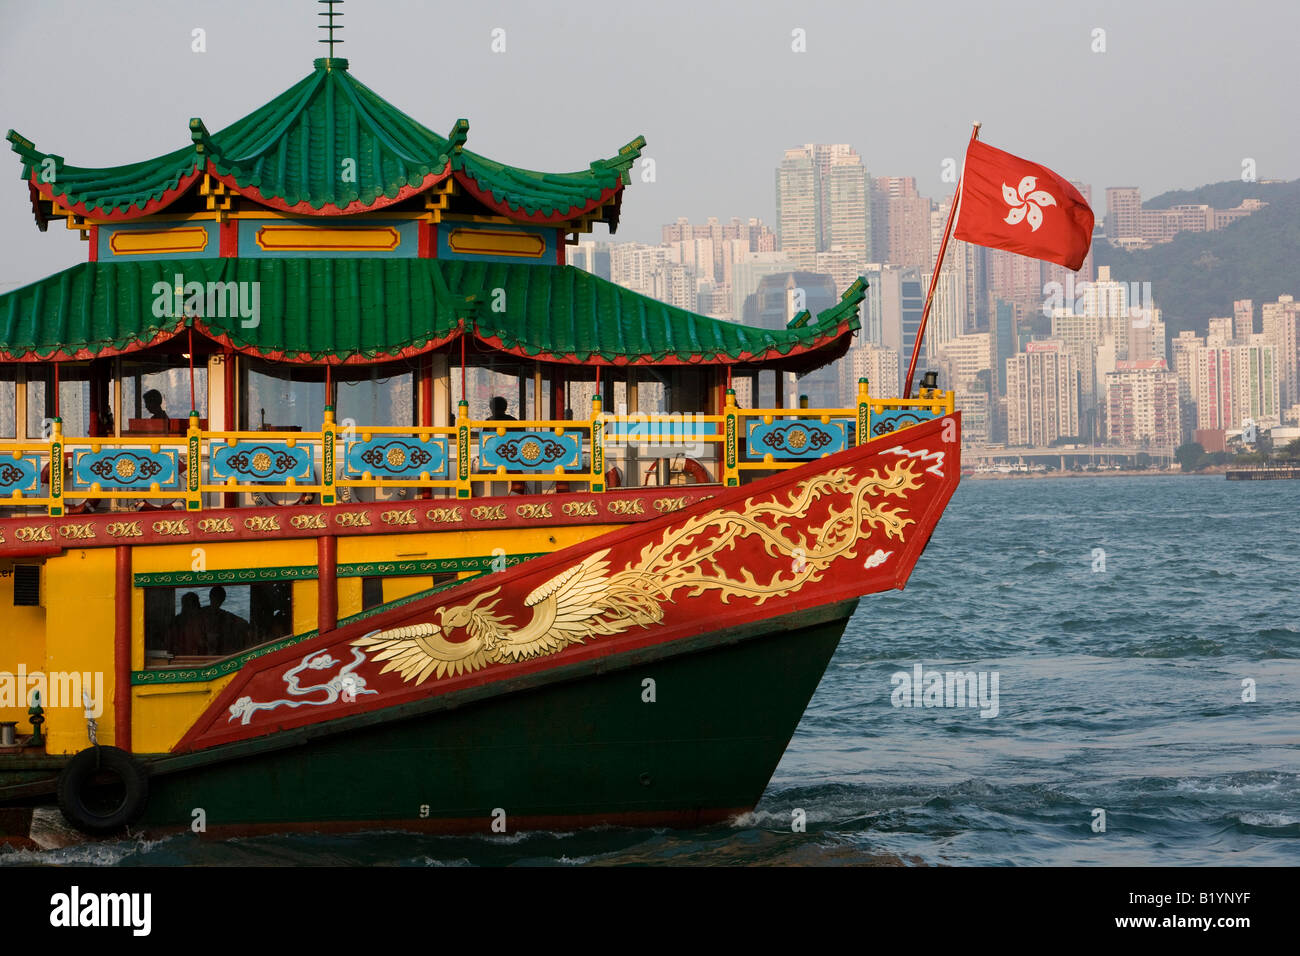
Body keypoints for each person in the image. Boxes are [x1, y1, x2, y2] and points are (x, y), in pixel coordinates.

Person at [205, 585, 252, 656]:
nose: (216, 600)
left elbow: (243, 623)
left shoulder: (224, 615)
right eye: (215, 597)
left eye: (218, 598)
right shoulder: (224, 615)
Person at [170, 592, 207, 656]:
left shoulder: (176, 620)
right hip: (191, 657)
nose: (200, 605)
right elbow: (201, 642)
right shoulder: (198, 620)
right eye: (197, 603)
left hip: (180, 657)